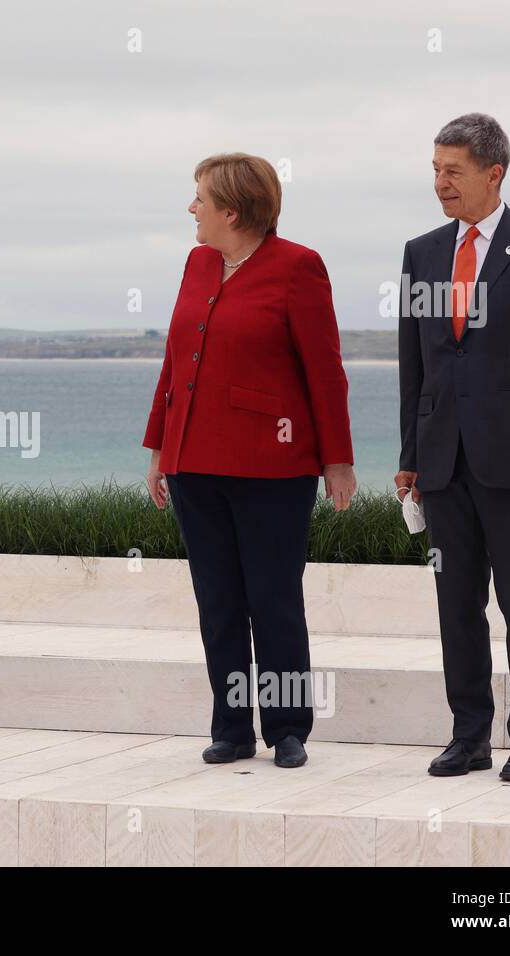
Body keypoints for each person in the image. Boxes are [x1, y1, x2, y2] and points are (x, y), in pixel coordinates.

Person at [144, 153, 356, 769]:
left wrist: (335, 460)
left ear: (232, 210)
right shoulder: (197, 261)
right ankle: (231, 727)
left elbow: (325, 370)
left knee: (274, 599)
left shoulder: (299, 267)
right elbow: (174, 360)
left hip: (274, 466)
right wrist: (159, 447)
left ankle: (287, 729)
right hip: (193, 462)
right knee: (218, 601)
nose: (192, 209)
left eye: (200, 200)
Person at [396, 113, 510, 782]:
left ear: (493, 173)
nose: (440, 183)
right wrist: (410, 456)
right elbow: (414, 363)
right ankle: (469, 735)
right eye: (435, 170)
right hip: (443, 465)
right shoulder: (421, 252)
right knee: (456, 605)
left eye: (454, 171)